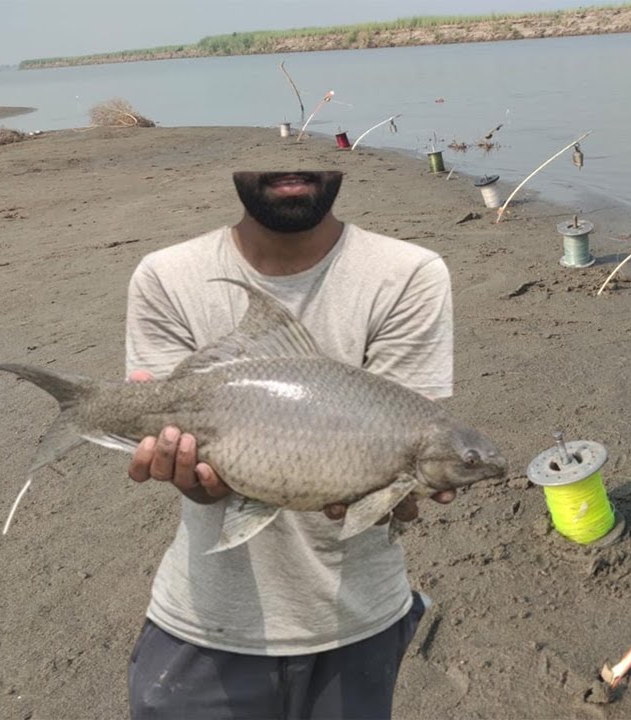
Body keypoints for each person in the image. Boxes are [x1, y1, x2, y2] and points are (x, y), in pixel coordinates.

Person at [123, 170, 455, 719]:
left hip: (359, 619)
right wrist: (198, 480)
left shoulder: (409, 274)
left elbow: (394, 467)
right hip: (204, 617)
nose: (288, 168)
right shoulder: (165, 275)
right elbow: (199, 476)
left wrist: (395, 499)